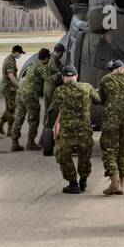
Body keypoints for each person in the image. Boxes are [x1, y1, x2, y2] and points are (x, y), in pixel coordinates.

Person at [51, 66, 100, 194]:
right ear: (76, 76)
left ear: (63, 78)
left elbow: (56, 108)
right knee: (84, 155)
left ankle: (73, 183)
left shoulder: (59, 91)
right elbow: (98, 100)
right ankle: (83, 180)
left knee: (63, 156)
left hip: (67, 132)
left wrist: (55, 125)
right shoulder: (87, 87)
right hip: (84, 129)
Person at [98, 58, 124, 195]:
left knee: (109, 149)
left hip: (112, 120)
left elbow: (101, 100)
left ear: (113, 69)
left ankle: (114, 182)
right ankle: (122, 183)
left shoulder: (106, 79)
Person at [9, 48, 49, 151]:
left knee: (18, 118)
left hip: (21, 92)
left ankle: (14, 143)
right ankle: (30, 143)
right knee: (34, 118)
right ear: (46, 58)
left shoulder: (33, 64)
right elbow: (49, 78)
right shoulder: (41, 66)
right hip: (30, 94)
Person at [0, 45, 25, 135]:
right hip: (9, 89)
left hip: (9, 88)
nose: (20, 55)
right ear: (16, 52)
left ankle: (0, 125)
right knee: (12, 110)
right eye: (19, 53)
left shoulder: (10, 59)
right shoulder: (10, 61)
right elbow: (11, 75)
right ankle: (9, 130)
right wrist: (18, 85)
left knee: (9, 108)